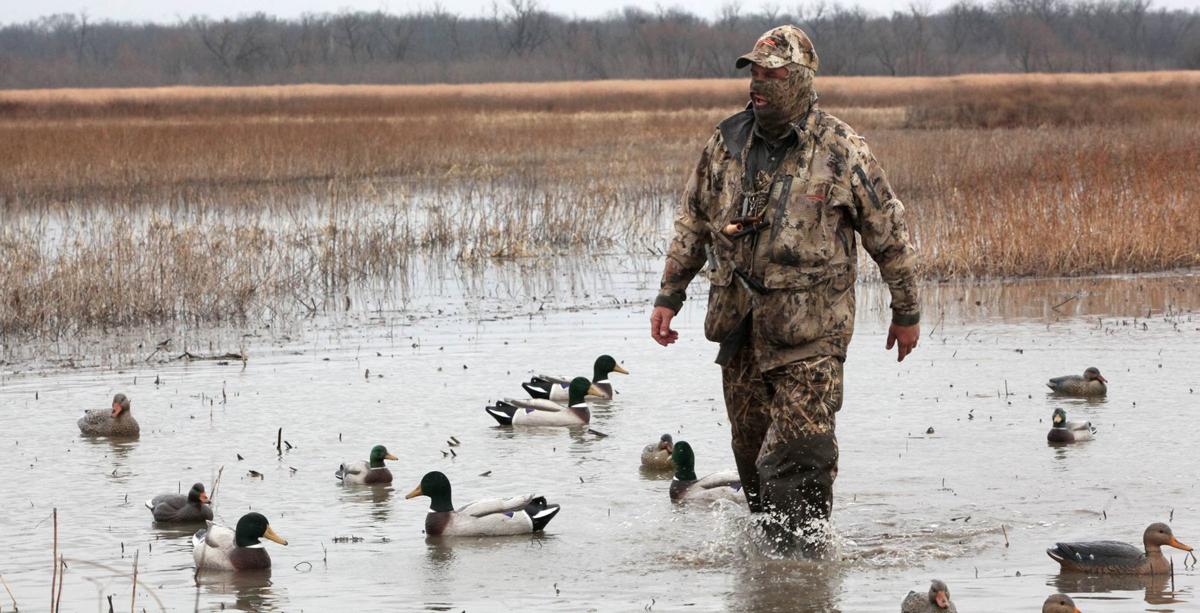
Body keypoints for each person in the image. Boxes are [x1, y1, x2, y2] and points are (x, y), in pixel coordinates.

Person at [649, 25, 921, 554]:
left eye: (770, 74)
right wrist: (668, 296)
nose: (758, 83)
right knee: (753, 465)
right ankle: (774, 578)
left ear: (799, 80)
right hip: (740, 331)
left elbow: (888, 232)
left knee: (798, 458)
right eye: (753, 72)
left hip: (812, 336)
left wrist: (905, 309)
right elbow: (693, 223)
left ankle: (806, 577)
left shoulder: (842, 150)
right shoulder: (725, 143)